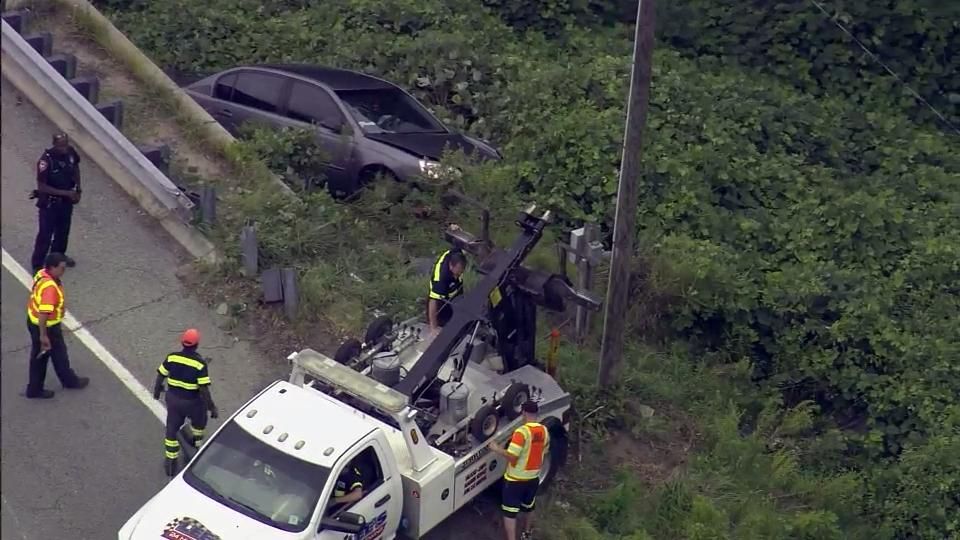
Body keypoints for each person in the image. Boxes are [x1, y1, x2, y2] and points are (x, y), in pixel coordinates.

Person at [153, 328, 219, 477]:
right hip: (192, 402)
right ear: (196, 345)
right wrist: (211, 407)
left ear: (182, 342)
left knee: (172, 428)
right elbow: (203, 389)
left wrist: (157, 392)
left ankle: (171, 461)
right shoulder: (200, 364)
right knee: (198, 425)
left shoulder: (172, 358)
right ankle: (194, 450)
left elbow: (160, 375)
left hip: (174, 400)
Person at [25, 252, 90, 399]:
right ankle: (64, 382)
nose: (64, 270)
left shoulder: (42, 274)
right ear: (52, 267)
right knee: (55, 354)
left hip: (34, 321)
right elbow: (44, 313)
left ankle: (40, 387)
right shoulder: (50, 289)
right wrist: (43, 335)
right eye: (61, 268)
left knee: (46, 355)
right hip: (47, 327)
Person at [487, 401, 550, 540]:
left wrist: (496, 448)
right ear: (536, 413)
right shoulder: (544, 431)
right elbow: (544, 451)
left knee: (510, 512)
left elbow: (512, 456)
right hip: (533, 478)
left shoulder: (521, 433)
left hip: (516, 480)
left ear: (524, 413)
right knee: (529, 506)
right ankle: (526, 534)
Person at [30, 133, 83, 273]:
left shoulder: (70, 153)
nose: (64, 148)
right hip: (49, 204)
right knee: (45, 235)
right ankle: (38, 265)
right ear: (54, 144)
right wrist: (66, 193)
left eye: (65, 144)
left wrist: (78, 189)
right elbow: (42, 186)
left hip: (66, 203)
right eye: (61, 146)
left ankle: (58, 259)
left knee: (62, 233)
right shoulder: (46, 161)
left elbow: (76, 168)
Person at [427, 248, 467, 332]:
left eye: (461, 272)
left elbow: (462, 248)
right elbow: (433, 301)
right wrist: (433, 328)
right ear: (451, 266)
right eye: (457, 273)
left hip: (453, 292)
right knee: (444, 318)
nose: (458, 276)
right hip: (441, 298)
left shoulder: (457, 254)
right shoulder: (441, 280)